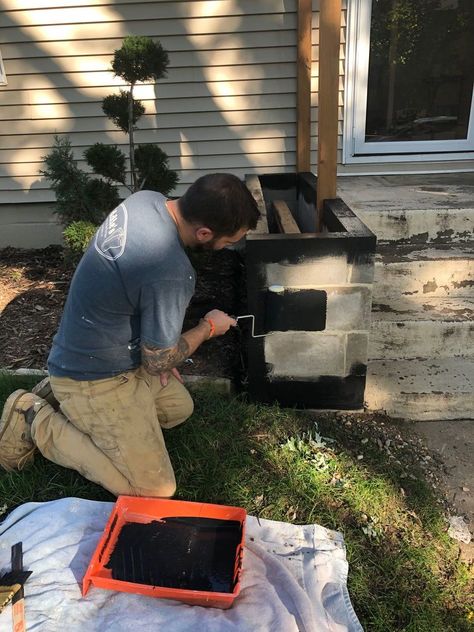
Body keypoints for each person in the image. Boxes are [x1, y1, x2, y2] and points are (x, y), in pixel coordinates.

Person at [0, 173, 259, 497]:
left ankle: (63, 395)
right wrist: (208, 327)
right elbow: (158, 361)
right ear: (205, 232)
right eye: (229, 240)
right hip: (97, 377)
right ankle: (34, 418)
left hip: (99, 350)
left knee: (177, 408)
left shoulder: (147, 201)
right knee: (155, 489)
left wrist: (161, 349)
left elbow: (143, 321)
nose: (228, 246)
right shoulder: (170, 270)